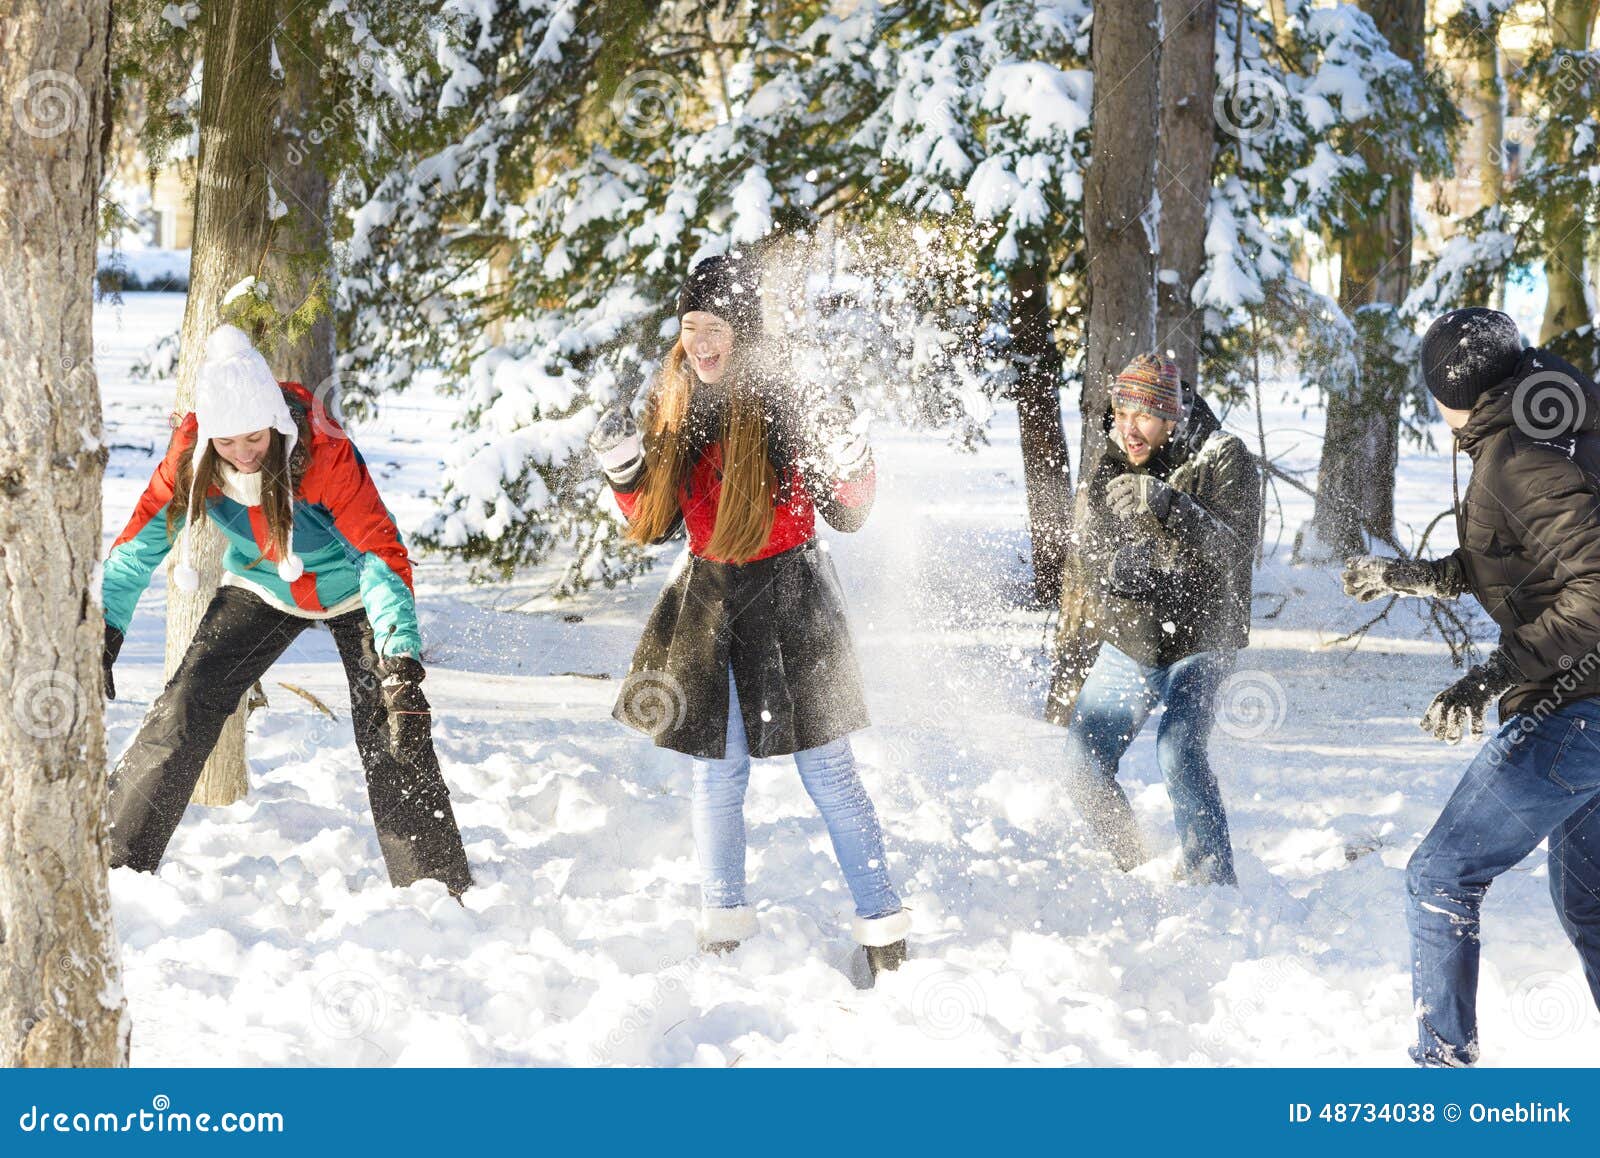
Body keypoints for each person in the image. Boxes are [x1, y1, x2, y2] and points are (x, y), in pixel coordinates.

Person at [587, 254, 910, 979]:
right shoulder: (673, 401)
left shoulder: (787, 400)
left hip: (792, 597)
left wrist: (854, 460)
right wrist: (623, 470)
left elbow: (849, 512)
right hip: (708, 601)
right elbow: (658, 519)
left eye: (715, 327)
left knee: (828, 772)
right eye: (689, 326)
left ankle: (884, 930)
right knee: (717, 774)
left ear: (745, 331)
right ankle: (723, 927)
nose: (700, 341)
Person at [101, 324, 472, 897]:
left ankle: (435, 884)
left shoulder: (324, 454)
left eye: (255, 438)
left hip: (355, 591)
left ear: (275, 426)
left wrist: (399, 661)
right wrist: (105, 628)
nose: (244, 455)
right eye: (228, 443)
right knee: (185, 704)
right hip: (263, 585)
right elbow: (137, 546)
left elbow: (380, 556)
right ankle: (110, 858)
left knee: (393, 727)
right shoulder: (191, 459)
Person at [1342, 307, 1600, 1065]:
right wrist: (1412, 575)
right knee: (1589, 902)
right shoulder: (1548, 415)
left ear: (1455, 392)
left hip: (1575, 709)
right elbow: (1518, 554)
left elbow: (1593, 590)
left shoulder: (1522, 454)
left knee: (1441, 874)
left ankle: (1439, 1079)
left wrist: (1497, 670)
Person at [1049, 354, 1260, 885]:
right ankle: (1141, 868)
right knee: (1081, 767)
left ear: (1171, 418)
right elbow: (1095, 551)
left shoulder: (1224, 456)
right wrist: (1118, 552)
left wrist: (1171, 507)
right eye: (1121, 413)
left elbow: (1235, 553)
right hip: (1134, 636)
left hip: (1203, 635)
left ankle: (1212, 883)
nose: (1128, 428)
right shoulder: (1117, 453)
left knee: (1178, 751)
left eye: (1142, 416)